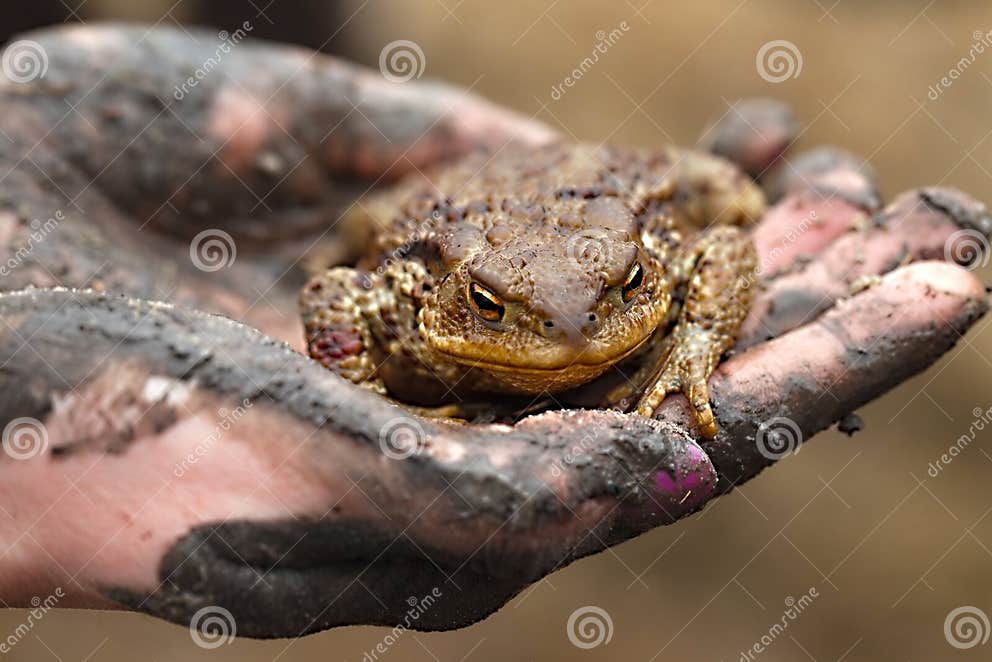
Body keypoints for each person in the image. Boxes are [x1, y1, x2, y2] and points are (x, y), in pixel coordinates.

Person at [0, 24, 986, 638]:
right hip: (458, 217)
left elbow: (723, 248)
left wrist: (689, 343)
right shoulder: (414, 291)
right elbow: (339, 290)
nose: (565, 337)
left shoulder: (647, 259)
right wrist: (364, 389)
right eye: (495, 313)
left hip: (587, 210)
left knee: (723, 188)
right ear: (448, 299)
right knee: (362, 224)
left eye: (616, 300)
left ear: (638, 272)